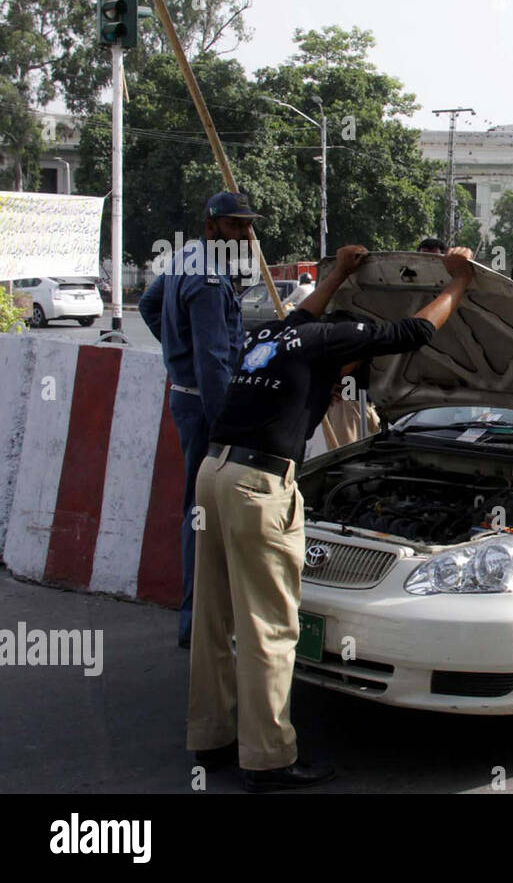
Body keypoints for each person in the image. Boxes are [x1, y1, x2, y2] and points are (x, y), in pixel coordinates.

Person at [188, 244, 479, 792]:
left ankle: (210, 738)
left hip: (215, 473)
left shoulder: (277, 333)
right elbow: (411, 334)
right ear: (347, 348)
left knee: (215, 618)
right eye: (353, 366)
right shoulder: (332, 341)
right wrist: (459, 282)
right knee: (270, 627)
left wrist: (340, 271)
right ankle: (268, 760)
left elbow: (307, 309)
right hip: (258, 485)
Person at [139, 190, 252, 648]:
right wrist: (226, 425)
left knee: (197, 508)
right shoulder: (206, 276)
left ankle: (197, 621)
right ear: (212, 226)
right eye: (234, 226)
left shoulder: (187, 257)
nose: (244, 234)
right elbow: (212, 361)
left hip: (185, 398)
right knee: (205, 512)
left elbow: (149, 306)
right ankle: (198, 623)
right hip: (205, 406)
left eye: (246, 225)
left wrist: (173, 351)